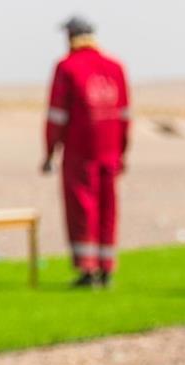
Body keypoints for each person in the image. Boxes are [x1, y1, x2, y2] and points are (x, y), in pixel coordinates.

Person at [43, 16, 130, 288]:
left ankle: (88, 270)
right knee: (107, 208)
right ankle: (106, 268)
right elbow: (124, 117)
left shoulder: (67, 67)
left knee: (83, 208)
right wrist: (122, 152)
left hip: (80, 152)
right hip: (109, 152)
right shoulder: (114, 68)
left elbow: (57, 116)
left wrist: (49, 152)